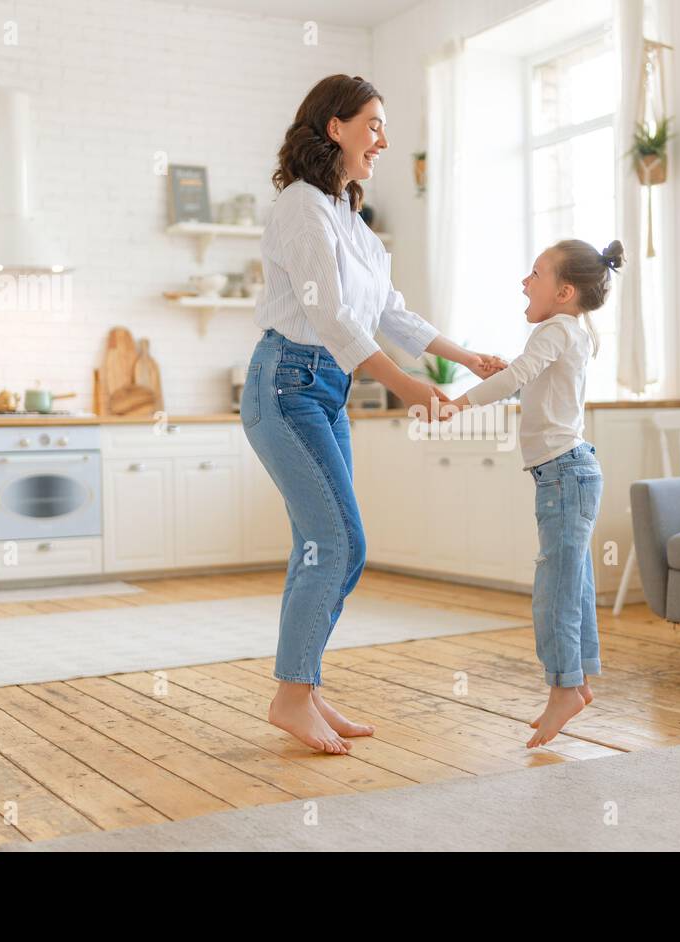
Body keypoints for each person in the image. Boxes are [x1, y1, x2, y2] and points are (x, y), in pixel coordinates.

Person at [242, 74, 505, 754]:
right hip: (287, 386)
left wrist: (463, 355)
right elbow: (328, 316)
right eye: (374, 124)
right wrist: (410, 387)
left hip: (324, 390)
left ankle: (302, 688)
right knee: (339, 543)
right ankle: (290, 694)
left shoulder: (350, 219)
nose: (383, 140)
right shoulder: (300, 206)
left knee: (324, 546)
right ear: (336, 128)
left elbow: (389, 311)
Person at [450, 238, 624, 747]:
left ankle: (565, 687)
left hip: (564, 476)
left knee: (556, 591)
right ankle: (579, 678)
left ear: (565, 290)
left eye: (536, 273)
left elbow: (521, 377)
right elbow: (532, 380)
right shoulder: (574, 331)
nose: (525, 282)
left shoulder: (556, 328)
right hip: (570, 473)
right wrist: (508, 370)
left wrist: (456, 405)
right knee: (574, 583)